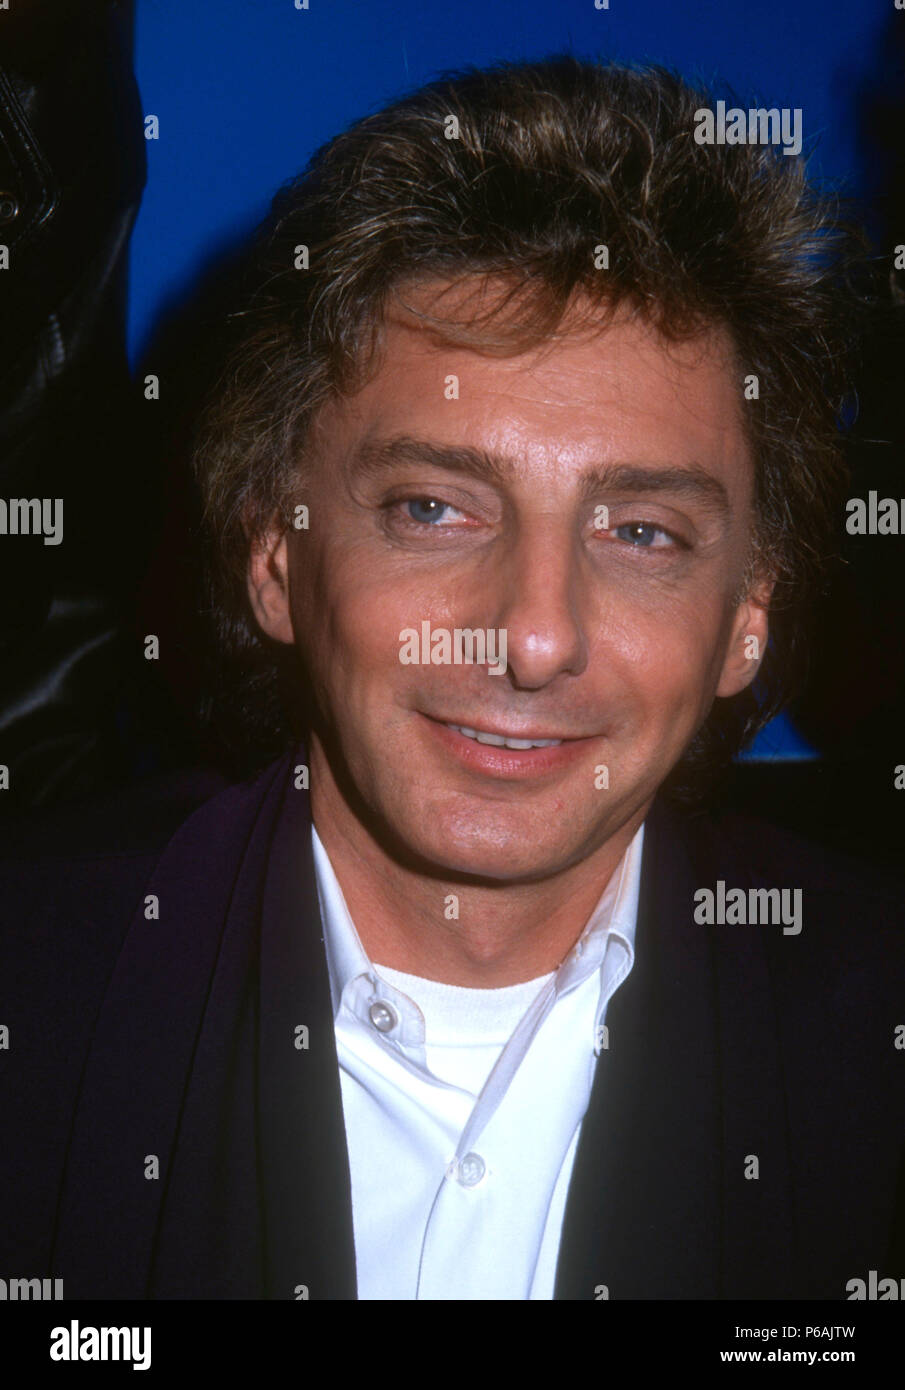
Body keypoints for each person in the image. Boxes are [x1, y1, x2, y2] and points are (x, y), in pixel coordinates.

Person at [1, 56, 903, 1302]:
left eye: (640, 532)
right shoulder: (37, 999)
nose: (532, 638)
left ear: (748, 615)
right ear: (274, 554)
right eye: (433, 508)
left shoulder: (872, 1039)